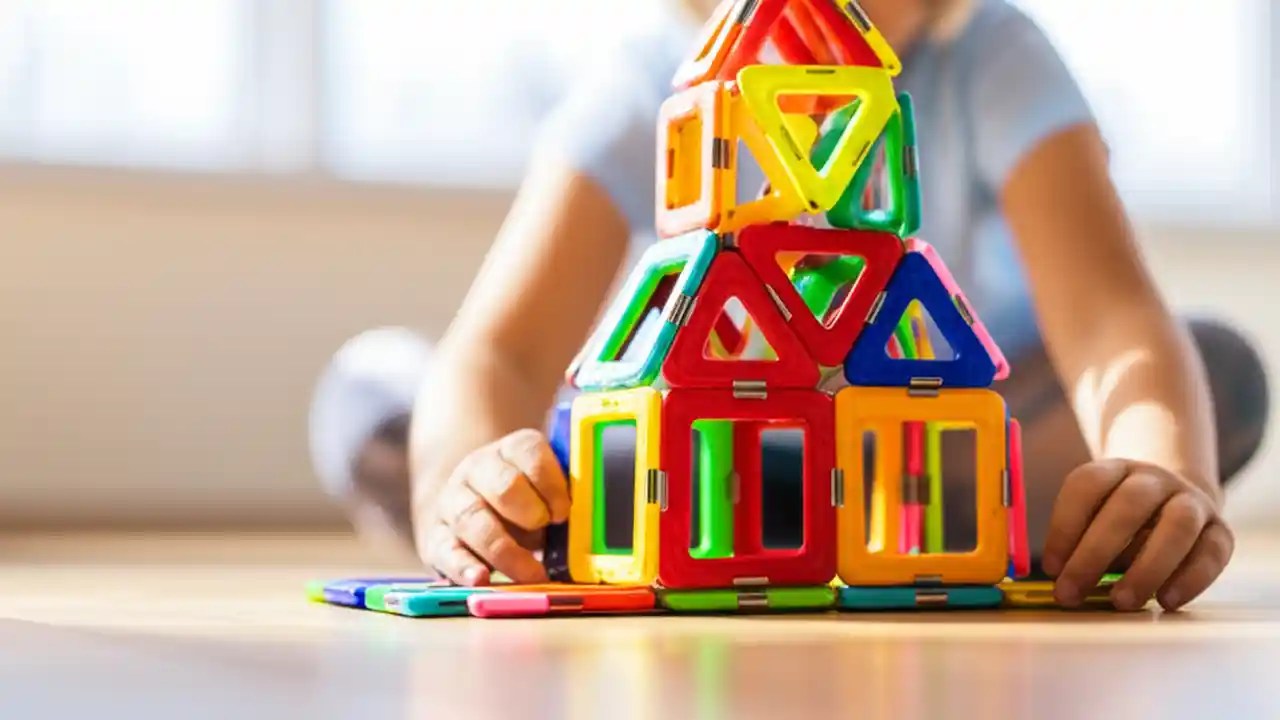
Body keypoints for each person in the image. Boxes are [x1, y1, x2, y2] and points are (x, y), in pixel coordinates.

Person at [308, 0, 1269, 612]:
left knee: (1213, 369)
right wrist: (467, 490)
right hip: (698, 457)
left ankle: (1066, 520)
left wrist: (1160, 468)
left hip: (952, 441)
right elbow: (500, 353)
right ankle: (504, 525)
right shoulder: (656, 72)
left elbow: (1110, 324)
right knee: (384, 401)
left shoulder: (992, 54)